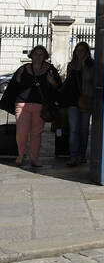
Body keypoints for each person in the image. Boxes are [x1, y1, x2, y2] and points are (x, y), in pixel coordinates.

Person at [0, 44, 62, 172]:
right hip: (22, 105)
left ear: (45, 56)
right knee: (21, 132)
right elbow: (14, 87)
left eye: (41, 54)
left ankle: (34, 159)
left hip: (41, 107)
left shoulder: (50, 69)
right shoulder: (23, 68)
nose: (38, 56)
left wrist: (52, 82)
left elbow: (58, 87)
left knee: (36, 134)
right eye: (36, 54)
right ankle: (21, 154)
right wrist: (17, 79)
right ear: (31, 56)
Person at [61, 41, 94, 166]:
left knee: (84, 130)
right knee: (74, 129)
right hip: (73, 101)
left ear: (86, 52)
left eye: (82, 51)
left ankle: (82, 155)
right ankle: (73, 156)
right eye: (77, 51)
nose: (79, 53)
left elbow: (90, 79)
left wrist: (84, 64)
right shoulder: (71, 65)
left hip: (86, 100)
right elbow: (68, 82)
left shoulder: (91, 65)